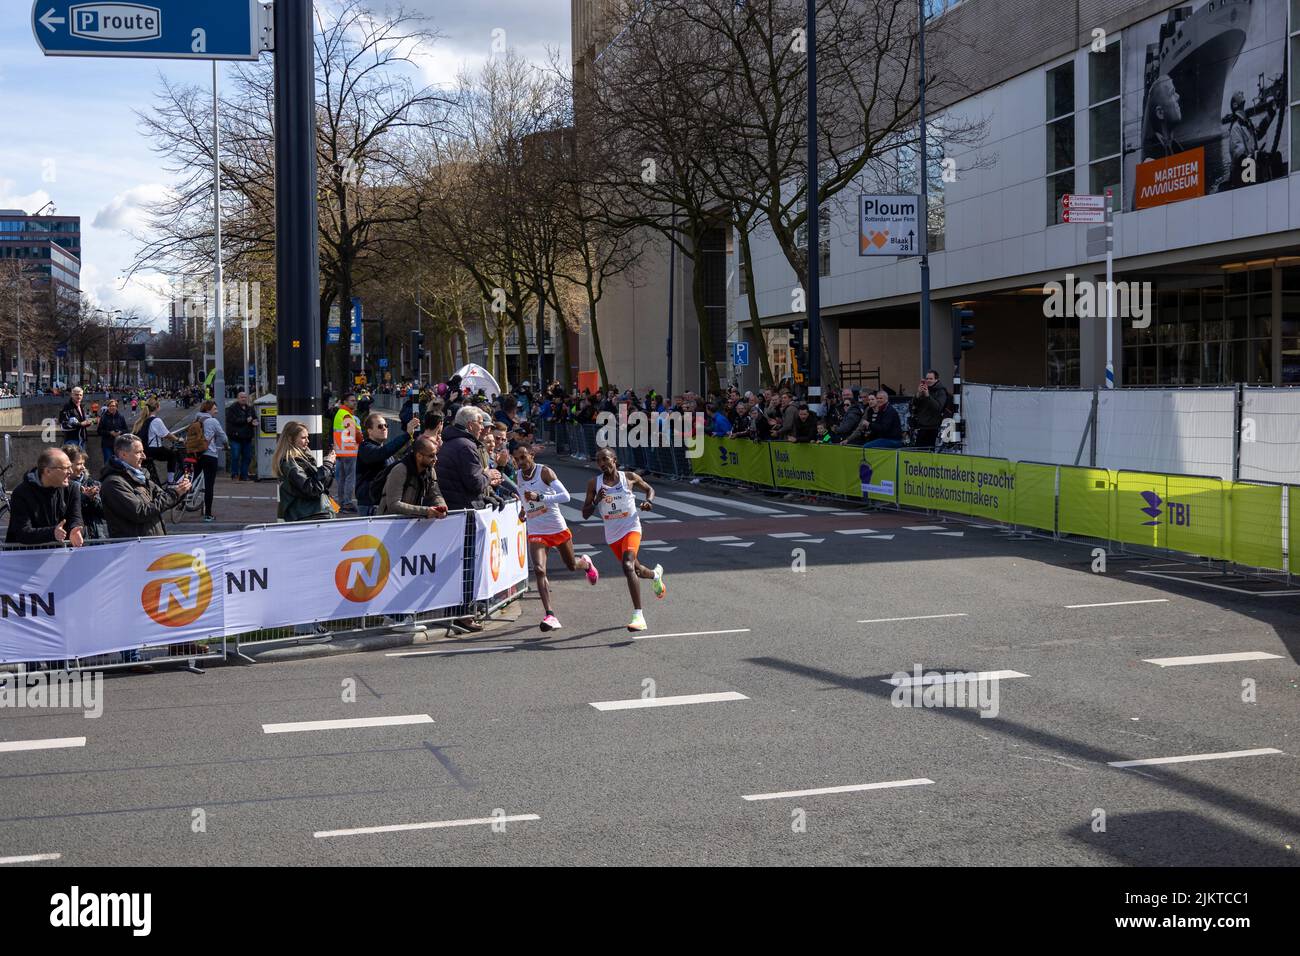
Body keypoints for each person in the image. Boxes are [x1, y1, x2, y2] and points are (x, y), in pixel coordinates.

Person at [514, 444, 598, 631]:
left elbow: (565, 496)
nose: (520, 462)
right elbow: (523, 497)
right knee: (538, 569)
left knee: (571, 565)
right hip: (536, 530)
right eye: (517, 459)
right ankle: (550, 615)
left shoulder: (545, 472)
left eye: (523, 457)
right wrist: (523, 510)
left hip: (556, 527)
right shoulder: (518, 476)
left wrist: (540, 497)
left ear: (532, 455)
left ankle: (585, 563)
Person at [581, 447, 665, 632]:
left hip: (631, 527)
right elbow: (585, 514)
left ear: (614, 460)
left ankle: (638, 615)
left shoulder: (629, 477)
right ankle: (655, 575)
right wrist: (596, 501)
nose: (602, 463)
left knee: (627, 566)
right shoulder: (593, 483)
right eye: (599, 461)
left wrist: (648, 502)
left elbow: (649, 489)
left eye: (605, 459)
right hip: (612, 534)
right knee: (636, 569)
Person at [100, 434, 191, 538]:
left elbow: (163, 500)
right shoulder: (113, 483)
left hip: (151, 543)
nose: (144, 456)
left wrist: (181, 491)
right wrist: (175, 493)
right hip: (134, 547)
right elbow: (140, 513)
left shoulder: (141, 476)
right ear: (123, 454)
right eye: (138, 452)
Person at [5, 448, 85, 546]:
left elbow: (75, 517)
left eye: (70, 467)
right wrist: (52, 533)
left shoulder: (72, 488)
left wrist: (75, 529)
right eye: (66, 468)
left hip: (60, 555)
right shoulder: (21, 493)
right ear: (48, 471)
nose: (70, 471)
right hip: (25, 557)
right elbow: (22, 532)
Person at [357, 412, 419, 515]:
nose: (384, 428)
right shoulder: (365, 448)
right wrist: (407, 435)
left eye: (386, 425)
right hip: (370, 505)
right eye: (380, 426)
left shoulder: (384, 450)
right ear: (370, 431)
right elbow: (382, 453)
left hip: (383, 501)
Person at [273, 422, 336, 522]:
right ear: (290, 439)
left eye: (307, 437)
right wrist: (327, 465)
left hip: (313, 512)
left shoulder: (305, 458)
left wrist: (330, 466)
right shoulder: (290, 463)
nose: (307, 441)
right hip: (306, 514)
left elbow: (322, 485)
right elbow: (310, 488)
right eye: (303, 438)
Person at [437, 406, 495, 511]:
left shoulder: (451, 441)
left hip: (454, 507)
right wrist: (488, 474)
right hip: (462, 510)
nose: (482, 428)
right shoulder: (466, 446)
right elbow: (475, 483)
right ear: (470, 425)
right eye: (480, 423)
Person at [379, 435, 448, 518]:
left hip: (411, 522)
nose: (436, 459)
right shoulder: (400, 470)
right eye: (431, 456)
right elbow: (393, 504)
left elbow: (436, 494)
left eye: (436, 454)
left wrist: (442, 507)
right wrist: (425, 511)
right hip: (388, 523)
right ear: (419, 456)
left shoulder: (430, 470)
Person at [192, 400, 229, 522]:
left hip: (196, 454)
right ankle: (208, 514)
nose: (216, 411)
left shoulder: (197, 420)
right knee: (209, 485)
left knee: (194, 479)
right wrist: (226, 446)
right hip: (209, 455)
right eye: (214, 409)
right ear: (208, 410)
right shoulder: (213, 421)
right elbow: (223, 436)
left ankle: (184, 502)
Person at [64, 444, 109, 540]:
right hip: (76, 540)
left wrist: (93, 499)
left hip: (98, 538)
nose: (83, 467)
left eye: (83, 464)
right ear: (67, 464)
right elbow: (66, 512)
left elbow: (106, 512)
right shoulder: (60, 487)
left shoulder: (93, 483)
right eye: (79, 464)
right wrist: (83, 498)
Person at [332, 392, 361, 512]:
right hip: (349, 451)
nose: (354, 402)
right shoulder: (346, 416)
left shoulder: (340, 414)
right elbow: (356, 435)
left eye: (355, 400)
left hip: (340, 451)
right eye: (351, 400)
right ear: (345, 402)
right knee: (349, 478)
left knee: (342, 479)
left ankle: (341, 503)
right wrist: (361, 438)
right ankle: (347, 503)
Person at [910, 370, 950, 450]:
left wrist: (928, 396)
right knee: (918, 451)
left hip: (933, 427)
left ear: (936, 380)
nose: (928, 380)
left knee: (929, 452)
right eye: (927, 378)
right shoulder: (924, 389)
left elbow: (938, 408)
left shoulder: (941, 391)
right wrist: (918, 395)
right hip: (921, 426)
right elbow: (914, 405)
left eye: (931, 379)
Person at [226, 391, 257, 482]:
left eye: (245, 397)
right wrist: (246, 420)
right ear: (238, 398)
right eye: (241, 397)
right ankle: (234, 475)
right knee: (235, 457)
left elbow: (254, 418)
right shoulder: (232, 408)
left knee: (247, 457)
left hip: (247, 437)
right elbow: (233, 421)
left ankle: (244, 475)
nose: (243, 399)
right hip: (236, 437)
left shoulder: (250, 408)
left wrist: (255, 422)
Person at [96, 398, 128, 464]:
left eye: (113, 406)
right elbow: (99, 431)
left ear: (116, 407)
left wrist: (120, 432)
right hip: (107, 444)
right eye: (110, 406)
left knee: (119, 463)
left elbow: (126, 430)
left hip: (119, 445)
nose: (112, 407)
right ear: (108, 407)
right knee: (108, 463)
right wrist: (110, 433)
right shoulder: (104, 417)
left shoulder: (121, 417)